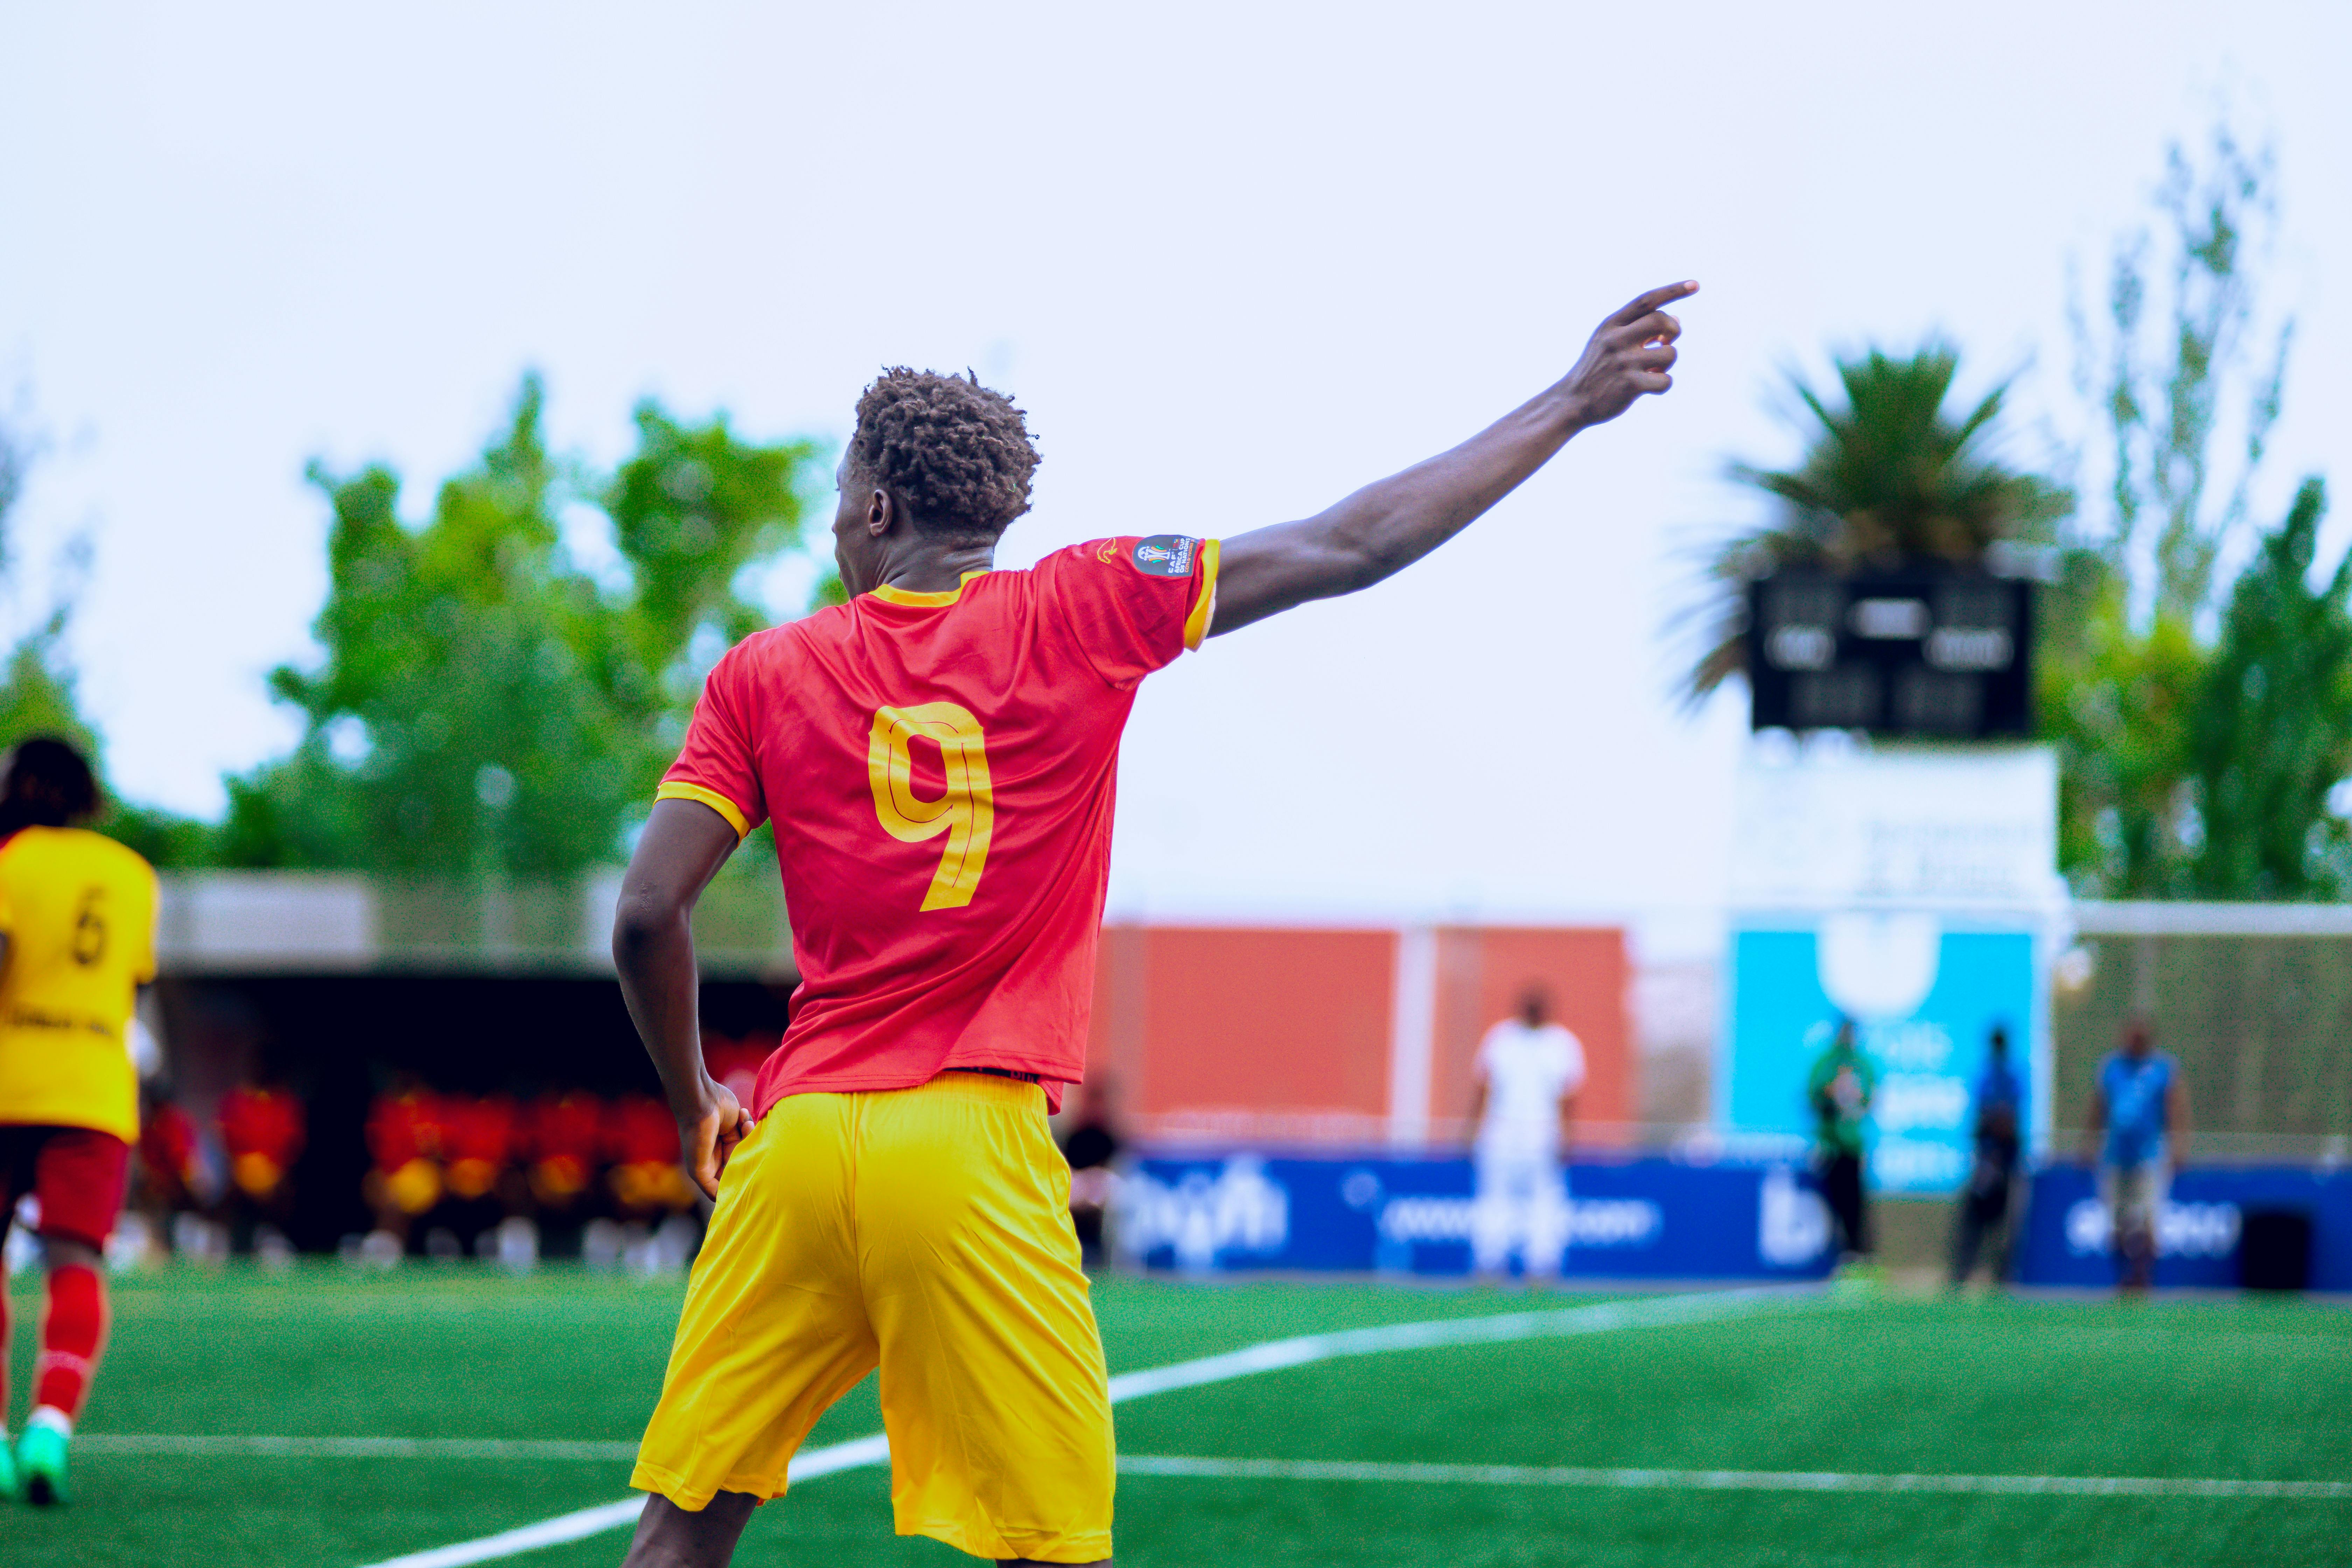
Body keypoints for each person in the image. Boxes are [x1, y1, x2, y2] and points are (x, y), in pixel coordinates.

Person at [609, 280, 1695, 1567]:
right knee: (1047, 1549)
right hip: (967, 1142)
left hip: (788, 1147)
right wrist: (1568, 404)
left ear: (879, 510)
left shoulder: (761, 672)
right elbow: (1350, 543)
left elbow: (642, 915)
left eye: (840, 495)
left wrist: (692, 1104)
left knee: (681, 1528)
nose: (835, 520)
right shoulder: (1086, 605)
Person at [0, 737, 159, 1505]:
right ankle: (51, 1426)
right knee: (75, 1261)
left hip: (9, 1079)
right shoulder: (133, 874)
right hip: (96, 1086)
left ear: (26, 783)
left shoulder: (10, 857)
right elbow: (133, 981)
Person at [1465, 987, 1586, 1281]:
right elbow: (1483, 1087)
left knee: (1544, 1203)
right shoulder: (1502, 1039)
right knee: (1495, 1200)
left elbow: (1568, 1097)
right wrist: (1472, 1130)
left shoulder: (1561, 1044)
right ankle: (1490, 1264)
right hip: (1502, 1131)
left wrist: (1567, 1137)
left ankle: (1541, 1266)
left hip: (1541, 1133)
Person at [2085, 1017, 2189, 1292]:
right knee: (2117, 1222)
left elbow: (2175, 1109)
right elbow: (2099, 1107)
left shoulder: (2162, 1069)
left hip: (2150, 1156)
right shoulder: (2112, 1068)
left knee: (2148, 1220)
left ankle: (2143, 1277)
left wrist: (2179, 1146)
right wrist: (2088, 1143)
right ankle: (2123, 1277)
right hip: (2116, 1156)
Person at [1948, 1023, 2023, 1288]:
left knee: (2002, 1221)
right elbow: (1984, 1114)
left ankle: (2001, 1275)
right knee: (1975, 1218)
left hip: (2005, 1155)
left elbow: (2009, 1116)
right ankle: (1963, 1273)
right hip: (1986, 1156)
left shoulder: (2011, 1076)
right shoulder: (1987, 1075)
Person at [1806, 1017, 1876, 1265]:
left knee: (1854, 1204)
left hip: (1852, 1146)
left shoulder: (1861, 1064)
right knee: (1833, 1202)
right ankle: (1834, 1257)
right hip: (1830, 1146)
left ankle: (1857, 1256)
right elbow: (1814, 1097)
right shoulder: (1828, 1062)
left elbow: (1869, 1098)